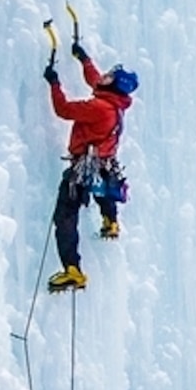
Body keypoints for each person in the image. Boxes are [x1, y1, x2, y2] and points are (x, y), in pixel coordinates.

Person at [43, 39, 136, 291]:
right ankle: (110, 221)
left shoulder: (99, 108)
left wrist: (54, 83)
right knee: (104, 188)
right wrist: (83, 59)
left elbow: (63, 109)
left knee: (65, 214)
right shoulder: (114, 104)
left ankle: (72, 269)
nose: (104, 75)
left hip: (83, 167)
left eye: (110, 76)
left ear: (114, 85)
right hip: (102, 163)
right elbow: (95, 79)